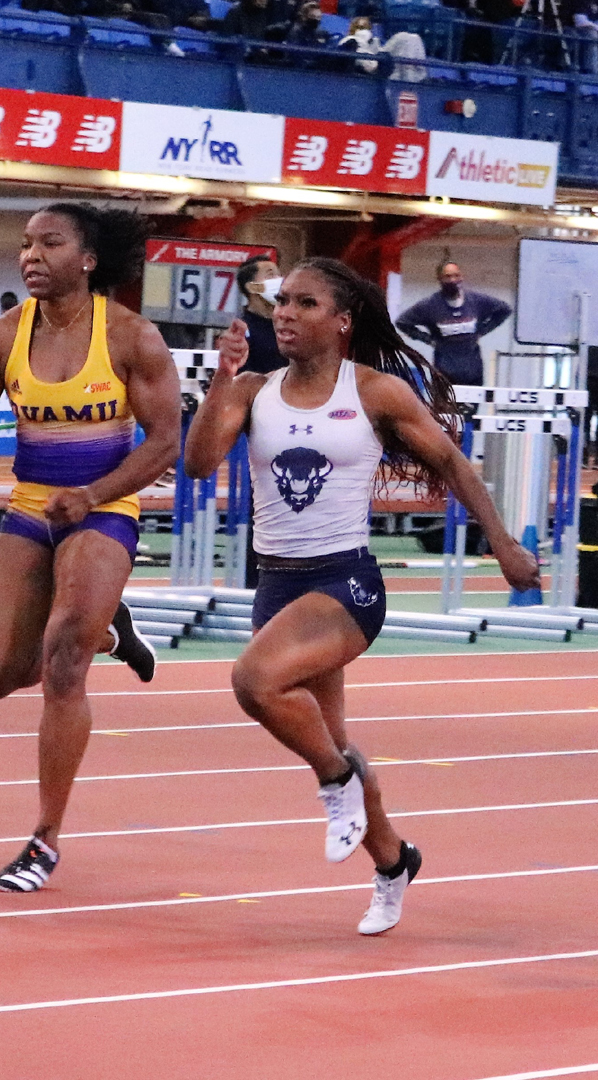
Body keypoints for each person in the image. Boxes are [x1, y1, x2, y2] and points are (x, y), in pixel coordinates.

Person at [185, 258, 537, 933]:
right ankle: (393, 860)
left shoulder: (375, 392)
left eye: (305, 303)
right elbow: (199, 464)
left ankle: (334, 784)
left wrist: (501, 541)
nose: (285, 312)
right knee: (334, 740)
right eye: (281, 301)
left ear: (341, 322)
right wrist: (218, 385)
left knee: (254, 680)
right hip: (277, 583)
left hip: (345, 582)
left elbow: (452, 462)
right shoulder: (253, 389)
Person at [0, 203, 180, 893]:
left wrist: (92, 496)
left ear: (86, 258)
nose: (31, 255)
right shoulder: (2, 336)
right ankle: (109, 630)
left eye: (49, 243)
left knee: (62, 664)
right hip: (31, 509)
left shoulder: (132, 338)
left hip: (104, 510)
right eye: (27, 244)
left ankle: (44, 839)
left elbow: (163, 443)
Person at [394, 256, 512, 387]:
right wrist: (428, 339)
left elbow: (505, 309)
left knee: (469, 407)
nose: (453, 280)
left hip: (473, 372)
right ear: (440, 279)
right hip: (444, 373)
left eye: (456, 275)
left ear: (462, 277)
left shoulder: (476, 300)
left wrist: (482, 331)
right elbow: (402, 322)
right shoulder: (430, 305)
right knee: (445, 407)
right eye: (448, 276)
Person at [234, 254, 287, 374]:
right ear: (253, 287)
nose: (279, 280)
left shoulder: (287, 323)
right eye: (271, 275)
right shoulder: (243, 330)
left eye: (279, 275)